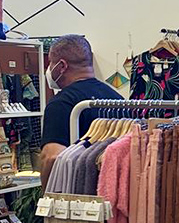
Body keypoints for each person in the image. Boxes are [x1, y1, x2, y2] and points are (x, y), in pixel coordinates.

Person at [40, 35, 122, 189]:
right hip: (115, 190)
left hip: (79, 194)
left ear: (62, 66)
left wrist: (46, 196)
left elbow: (52, 157)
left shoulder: (62, 103)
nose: (49, 69)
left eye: (50, 62)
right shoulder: (117, 99)